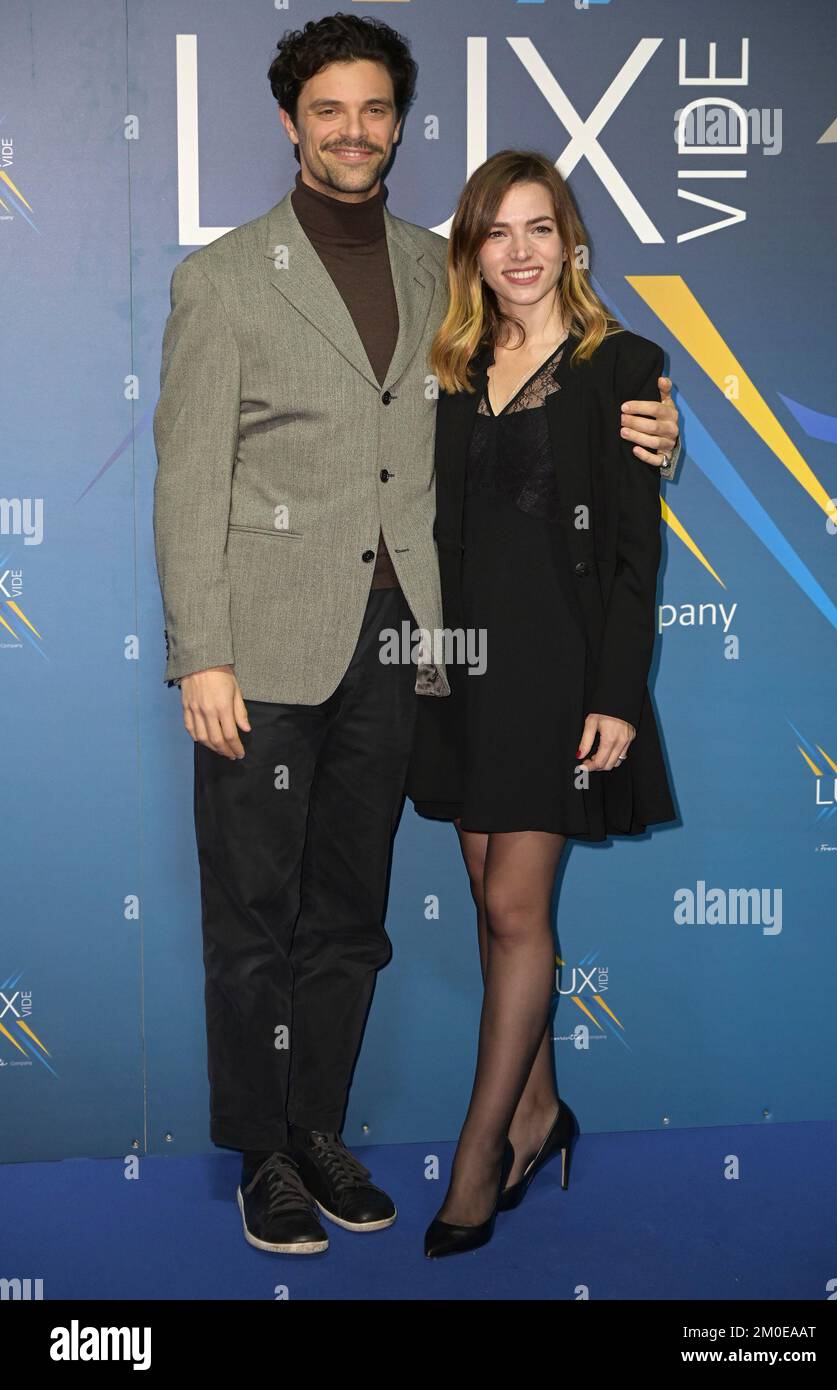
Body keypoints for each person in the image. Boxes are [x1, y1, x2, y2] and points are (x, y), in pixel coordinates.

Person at [152, 14, 681, 1259]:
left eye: (374, 109)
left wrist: (649, 434)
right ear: (290, 123)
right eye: (327, 110)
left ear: (399, 123)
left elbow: (553, 402)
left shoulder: (432, 268)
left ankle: (323, 1128)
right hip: (266, 651)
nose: (352, 130)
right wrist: (202, 652)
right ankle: (264, 1156)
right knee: (253, 918)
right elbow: (185, 486)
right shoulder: (221, 279)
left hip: (410, 656)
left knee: (347, 913)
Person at [405, 150, 679, 1259]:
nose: (517, 252)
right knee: (486, 896)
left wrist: (616, 696)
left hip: (559, 681)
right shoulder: (452, 364)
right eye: (494, 232)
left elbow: (629, 552)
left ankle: (477, 1155)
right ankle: (537, 1112)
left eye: (537, 228)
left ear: (569, 241)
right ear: (470, 249)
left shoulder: (622, 363)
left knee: (517, 911)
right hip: (461, 671)